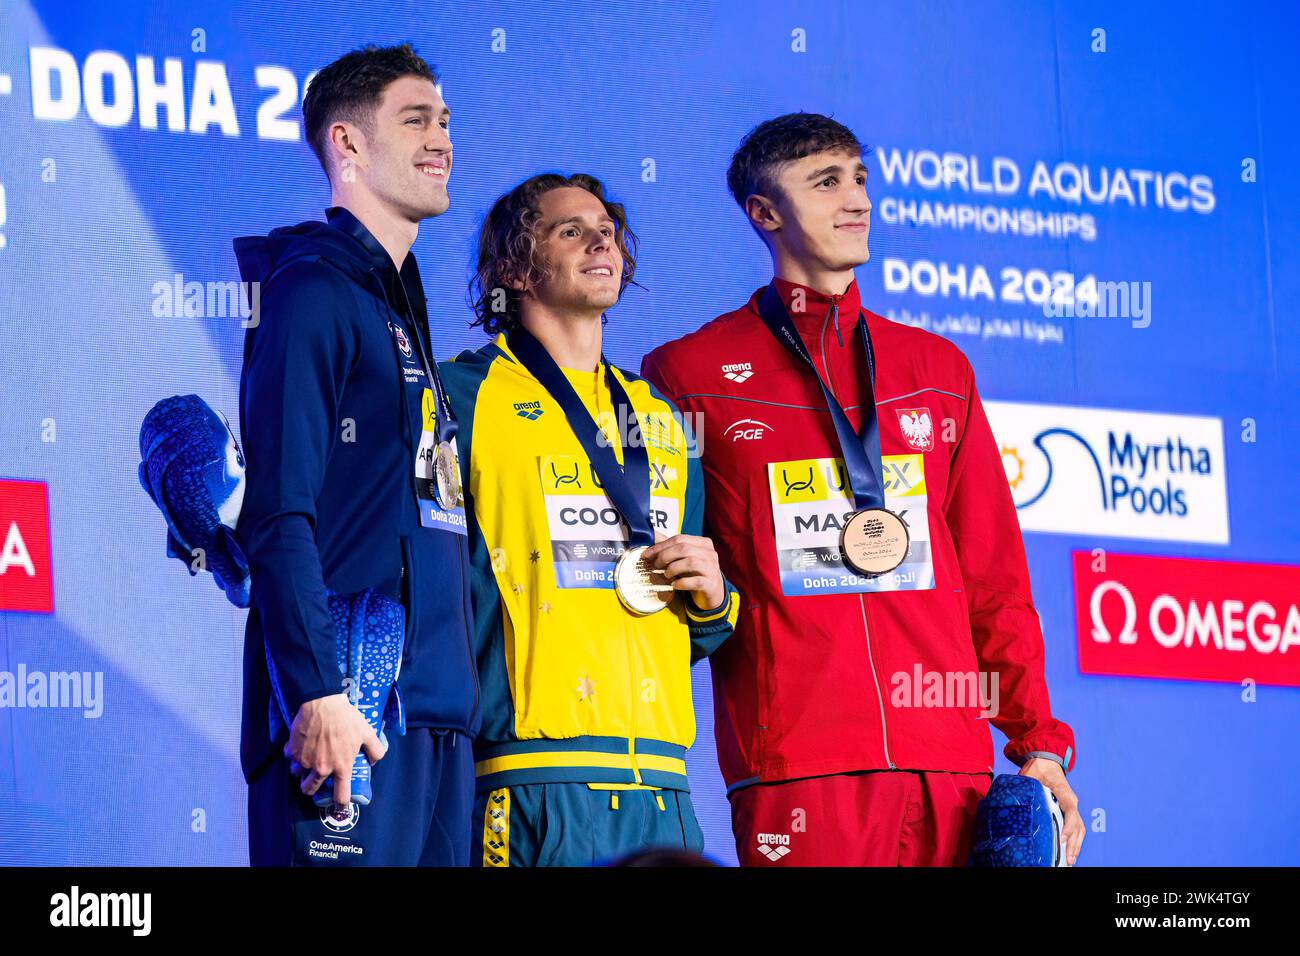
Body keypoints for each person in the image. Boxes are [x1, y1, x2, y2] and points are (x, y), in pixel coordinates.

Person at [640, 112, 1084, 866]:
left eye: (859, 178)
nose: (856, 200)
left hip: (950, 762)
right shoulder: (689, 375)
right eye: (825, 181)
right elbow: (670, 576)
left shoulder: (937, 371)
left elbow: (993, 579)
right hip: (799, 766)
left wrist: (1037, 742)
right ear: (765, 213)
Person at [439, 173, 739, 866]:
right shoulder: (459, 395)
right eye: (571, 230)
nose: (601, 240)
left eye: (607, 229)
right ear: (512, 268)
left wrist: (716, 600)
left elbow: (690, 625)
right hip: (534, 782)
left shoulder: (660, 419)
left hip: (664, 791)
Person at [233, 43, 478, 866]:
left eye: (444, 121)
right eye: (416, 120)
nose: (442, 139)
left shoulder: (401, 310)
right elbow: (277, 511)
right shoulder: (310, 291)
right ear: (347, 145)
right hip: (346, 723)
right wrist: (317, 691)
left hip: (434, 723)